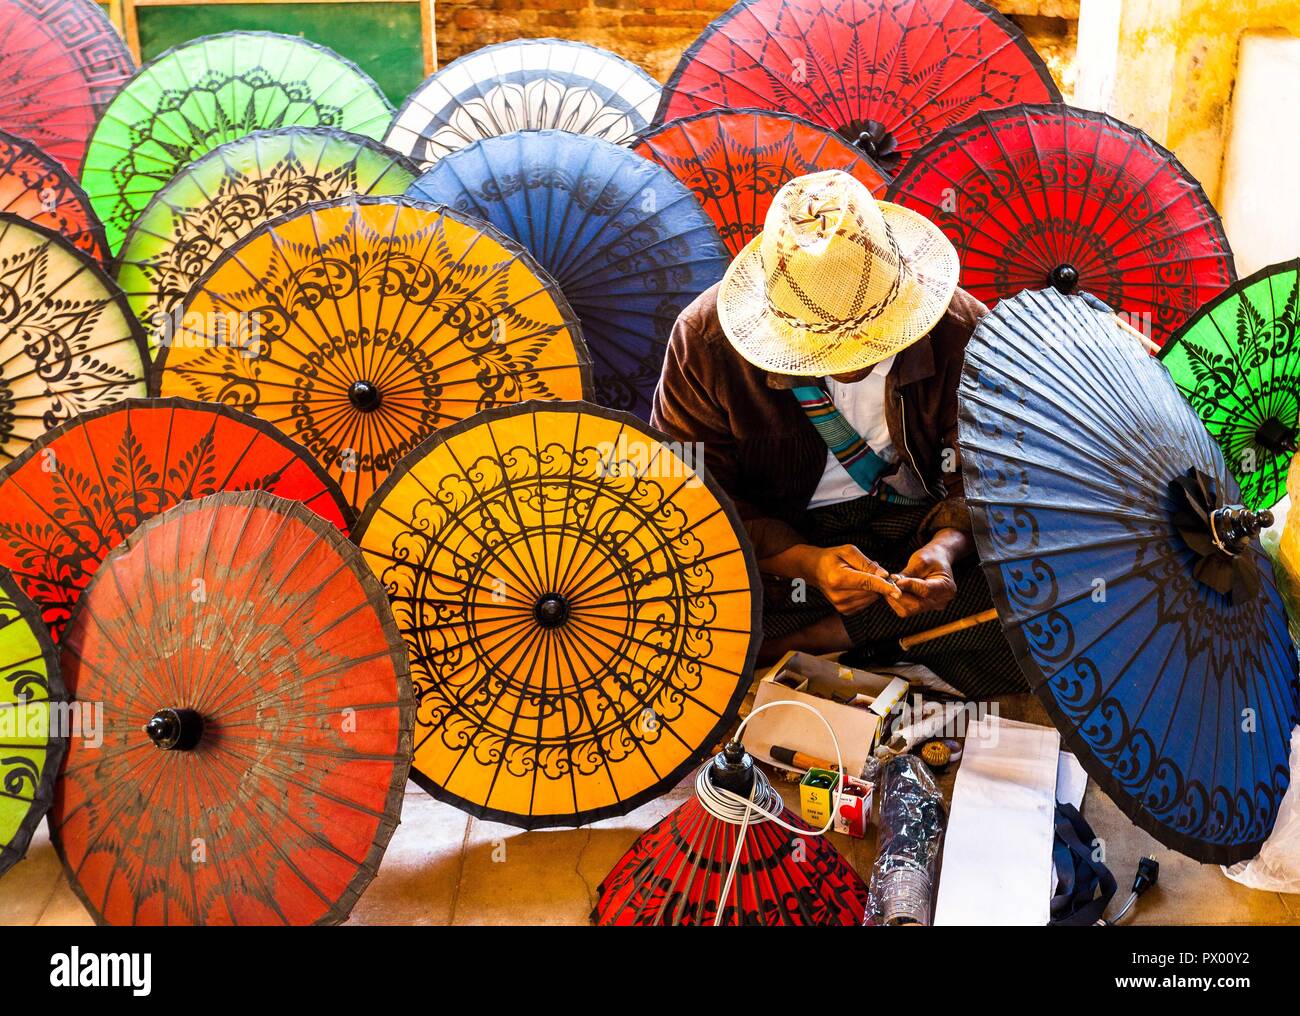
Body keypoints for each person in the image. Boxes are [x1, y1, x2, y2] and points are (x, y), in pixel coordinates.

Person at [651, 169, 1025, 697]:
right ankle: (878, 643)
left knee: (1039, 598)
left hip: (913, 525)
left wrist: (946, 548)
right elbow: (690, 495)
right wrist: (808, 563)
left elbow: (994, 477)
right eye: (829, 350)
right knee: (683, 624)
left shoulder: (959, 329)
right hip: (780, 547)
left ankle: (801, 646)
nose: (850, 365)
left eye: (871, 343)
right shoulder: (705, 342)